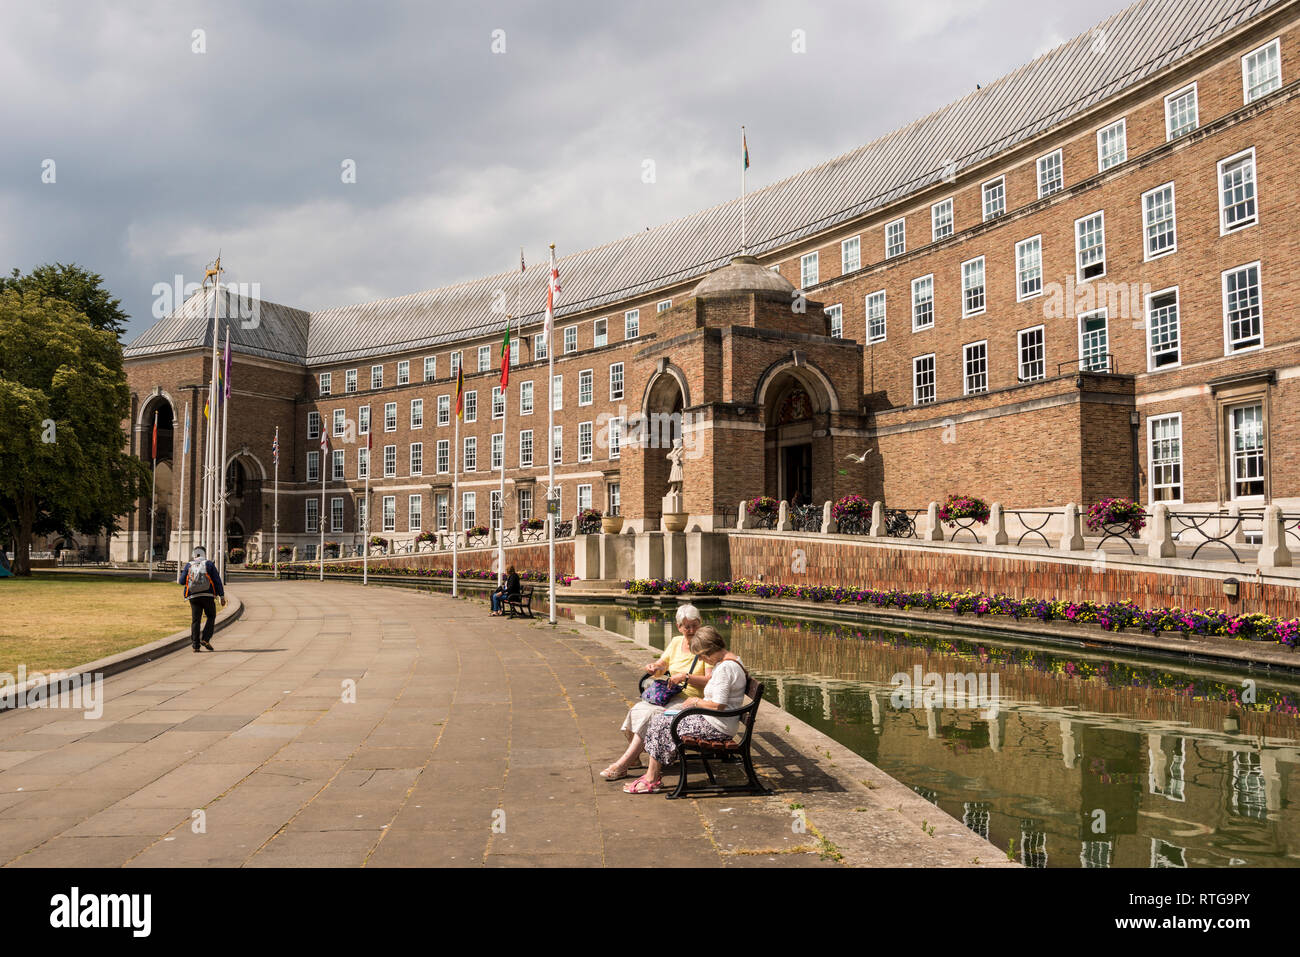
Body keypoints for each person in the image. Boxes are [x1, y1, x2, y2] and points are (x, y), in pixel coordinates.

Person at [624, 626, 747, 794]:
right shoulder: (728, 661)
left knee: (661, 724)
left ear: (709, 651)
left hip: (718, 726)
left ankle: (652, 779)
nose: (702, 660)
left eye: (701, 656)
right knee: (660, 720)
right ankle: (652, 775)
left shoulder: (726, 668)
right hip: (714, 720)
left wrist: (695, 701)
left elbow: (718, 705)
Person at [599, 604, 709, 781]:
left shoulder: (706, 646)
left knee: (652, 715)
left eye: (694, 625)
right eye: (686, 626)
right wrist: (654, 667)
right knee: (638, 709)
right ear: (679, 627)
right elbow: (662, 664)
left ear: (700, 623)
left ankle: (622, 765)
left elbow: (710, 680)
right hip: (671, 694)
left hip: (690, 699)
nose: (691, 630)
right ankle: (635, 758)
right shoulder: (676, 642)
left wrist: (686, 677)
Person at [178, 546, 226, 652]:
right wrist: (221, 596)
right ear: (204, 554)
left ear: (194, 554)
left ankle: (195, 646)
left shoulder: (189, 565)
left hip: (193, 596)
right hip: (208, 595)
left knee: (196, 620)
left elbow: (181, 581)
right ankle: (205, 638)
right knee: (211, 616)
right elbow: (217, 581)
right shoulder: (209, 564)